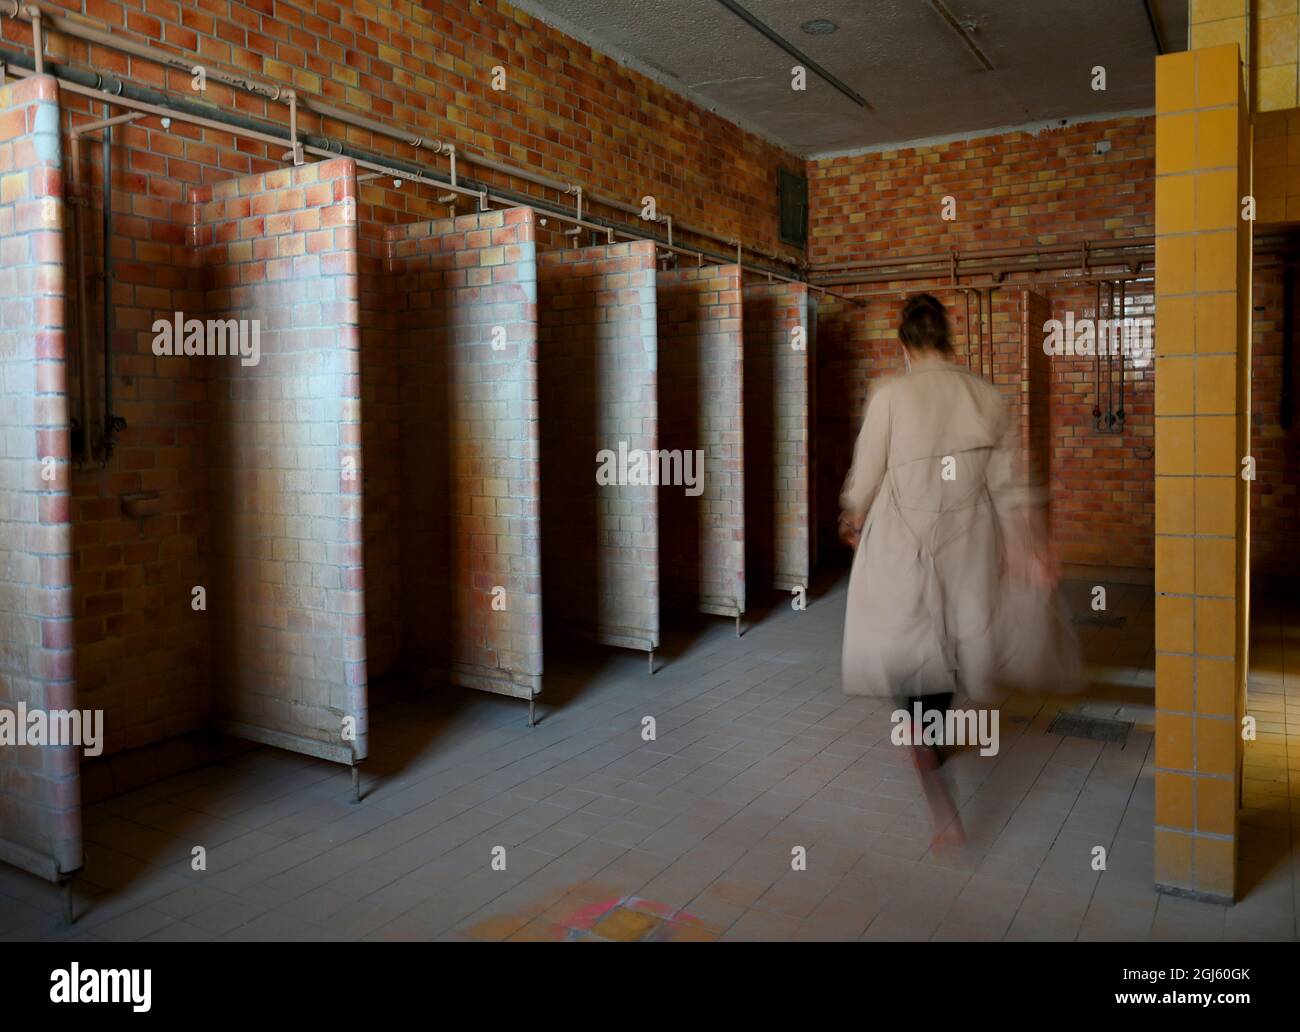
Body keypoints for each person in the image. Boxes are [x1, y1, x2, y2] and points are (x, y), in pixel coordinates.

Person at [838, 293, 1058, 849]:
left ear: (905, 342)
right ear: (947, 337)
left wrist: (853, 513)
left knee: (908, 658)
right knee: (955, 643)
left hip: (903, 542)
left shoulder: (891, 395)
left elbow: (866, 473)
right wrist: (1031, 548)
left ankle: (941, 804)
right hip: (968, 544)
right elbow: (1009, 487)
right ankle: (933, 732)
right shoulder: (985, 396)